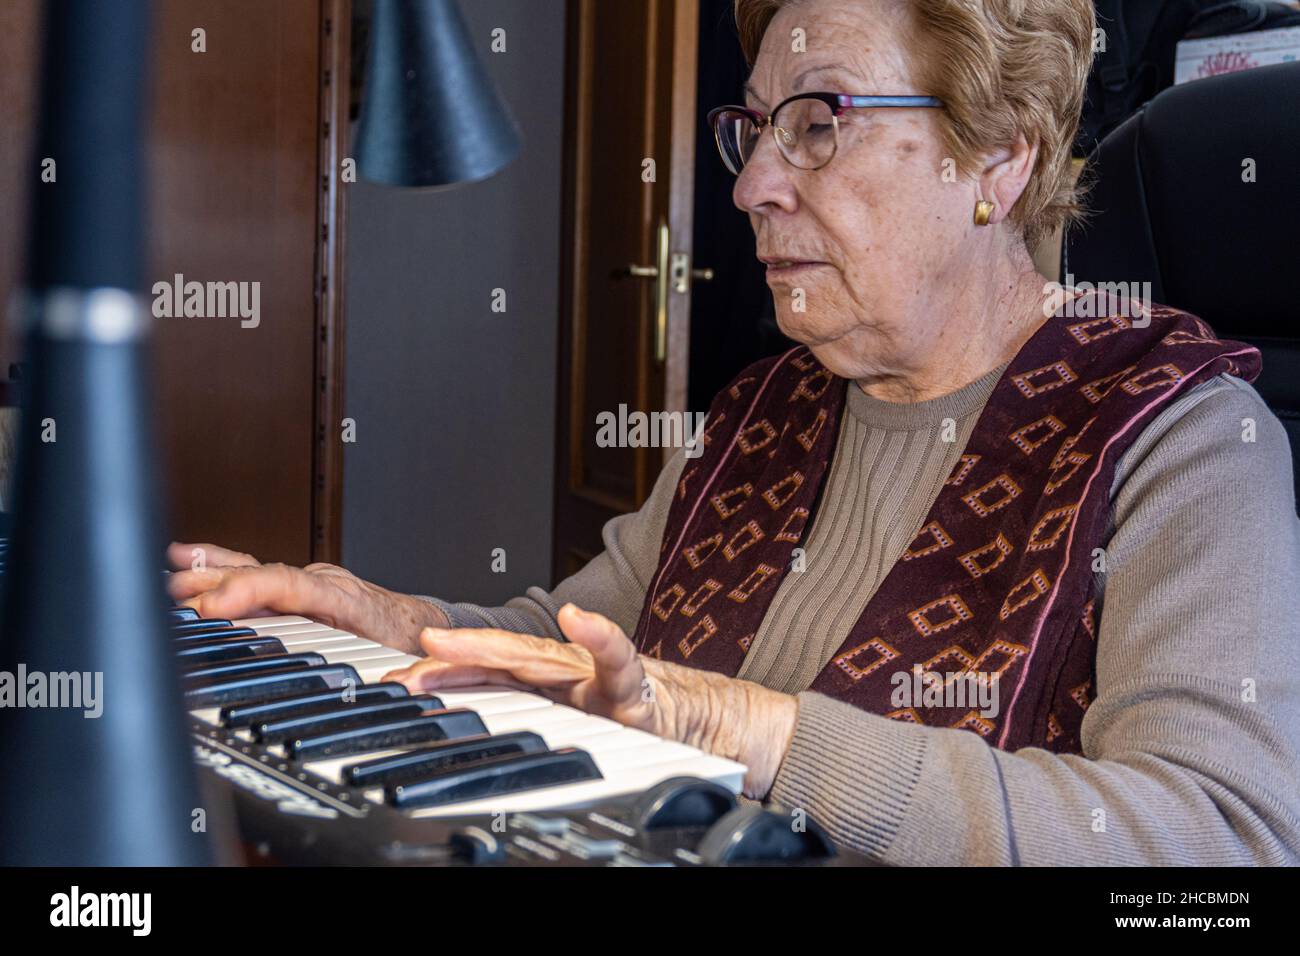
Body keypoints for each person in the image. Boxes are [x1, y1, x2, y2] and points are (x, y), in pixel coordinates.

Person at [170, 0, 1300, 865]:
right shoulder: (760, 410)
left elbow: (1223, 837)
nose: (754, 183)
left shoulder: (1180, 441)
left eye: (820, 122)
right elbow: (579, 649)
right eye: (756, 128)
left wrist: (745, 726)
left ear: (996, 158)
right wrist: (393, 619)